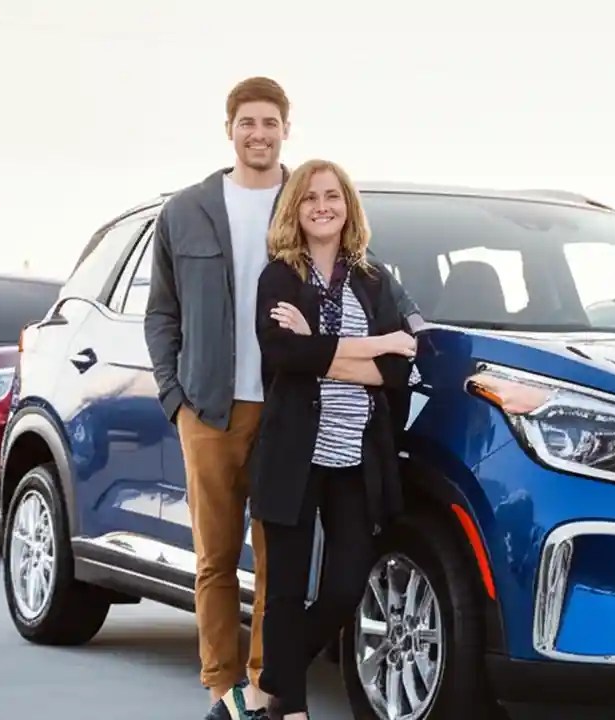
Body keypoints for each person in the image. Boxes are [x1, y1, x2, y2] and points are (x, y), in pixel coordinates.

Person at [144, 75, 293, 719]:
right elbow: (161, 314)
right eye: (247, 123)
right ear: (229, 129)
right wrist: (174, 396)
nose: (258, 134)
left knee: (278, 557)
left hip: (289, 407)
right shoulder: (186, 210)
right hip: (208, 410)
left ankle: (262, 684)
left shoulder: (306, 201)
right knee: (217, 557)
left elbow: (361, 278)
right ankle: (222, 688)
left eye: (270, 123)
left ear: (288, 127)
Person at [250, 158, 418, 719]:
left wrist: (321, 348)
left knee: (347, 587)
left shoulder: (373, 279)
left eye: (333, 196)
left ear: (349, 206)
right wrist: (372, 343)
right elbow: (281, 355)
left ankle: (267, 684)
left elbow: (398, 371)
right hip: (293, 456)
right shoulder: (280, 276)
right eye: (310, 197)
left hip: (354, 458)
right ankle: (290, 711)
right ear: (295, 210)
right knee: (286, 592)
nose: (323, 206)